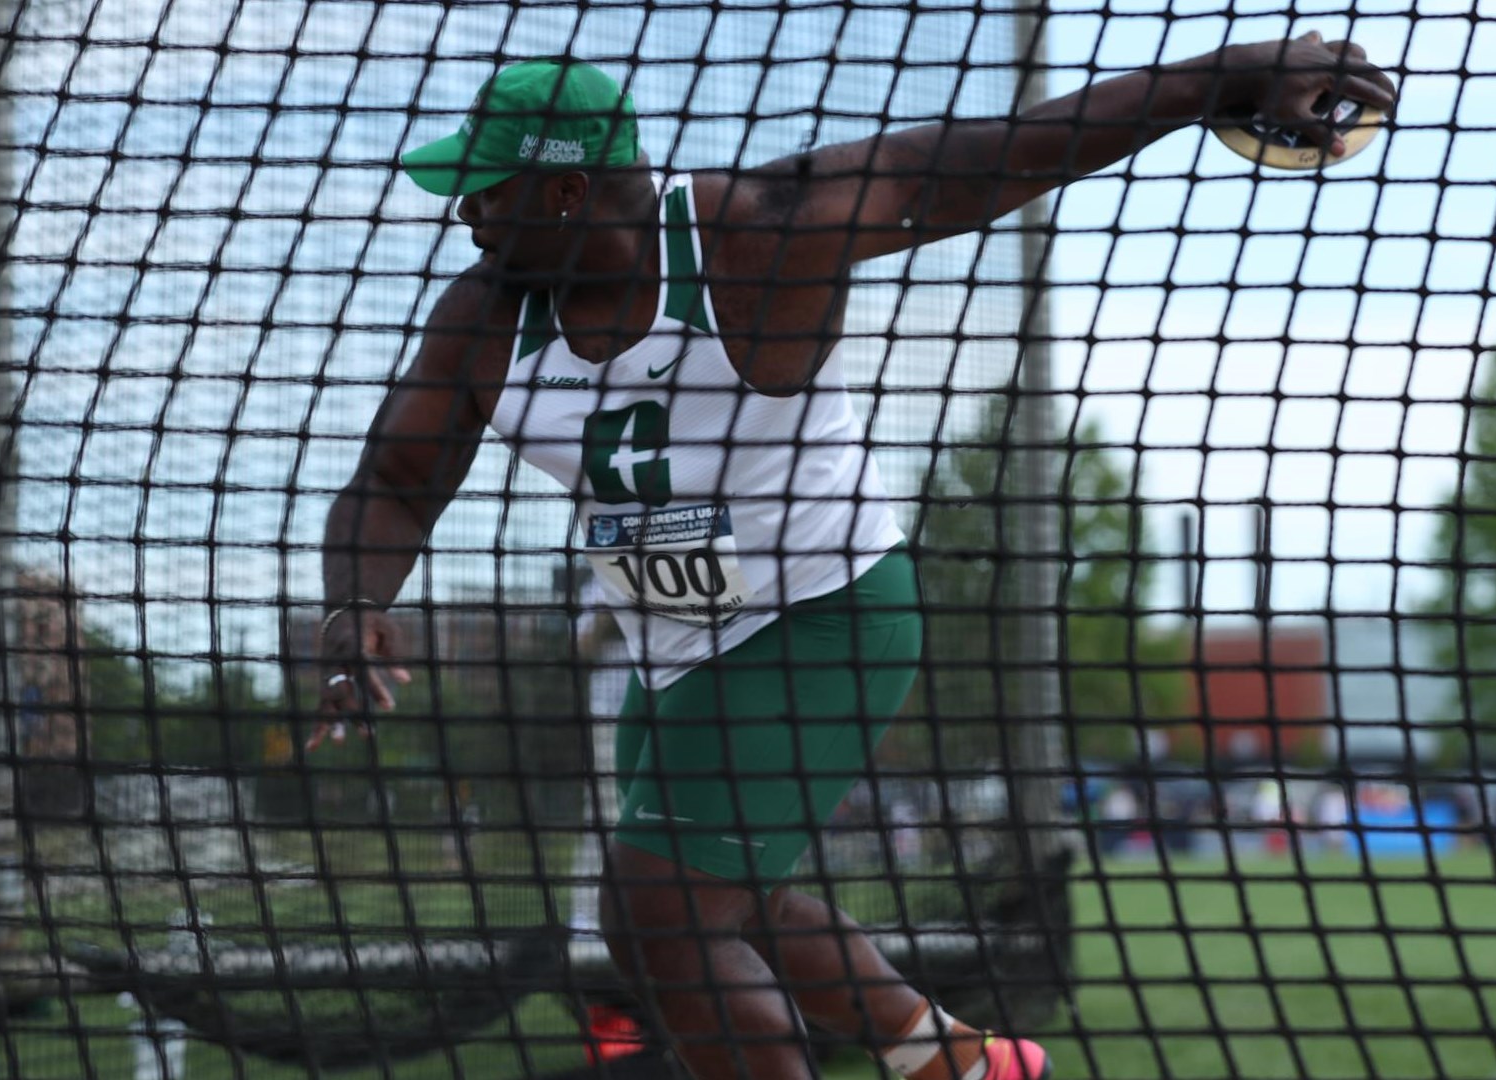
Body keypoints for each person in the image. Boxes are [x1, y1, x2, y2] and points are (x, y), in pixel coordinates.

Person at [317, 41, 1396, 1080]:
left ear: (561, 194)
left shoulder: (750, 238)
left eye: (485, 190)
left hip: (822, 616)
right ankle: (969, 1065)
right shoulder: (483, 320)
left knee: (658, 917)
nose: (462, 213)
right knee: (731, 899)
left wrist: (1230, 72)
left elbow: (1002, 153)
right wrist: (355, 603)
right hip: (676, 643)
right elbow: (396, 483)